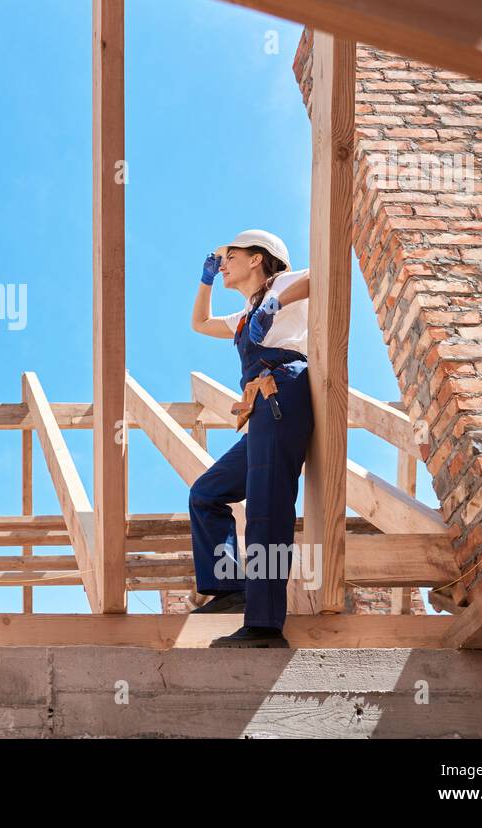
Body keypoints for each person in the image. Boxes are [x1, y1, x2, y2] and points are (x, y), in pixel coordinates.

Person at [188, 229, 314, 648]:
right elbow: (200, 323)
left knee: (266, 509)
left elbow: (325, 277)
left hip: (283, 391)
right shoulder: (244, 314)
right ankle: (229, 588)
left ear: (258, 258)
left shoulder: (282, 284)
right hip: (260, 405)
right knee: (206, 493)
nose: (222, 264)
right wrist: (205, 280)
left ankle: (263, 625)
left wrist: (277, 300)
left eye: (230, 256)